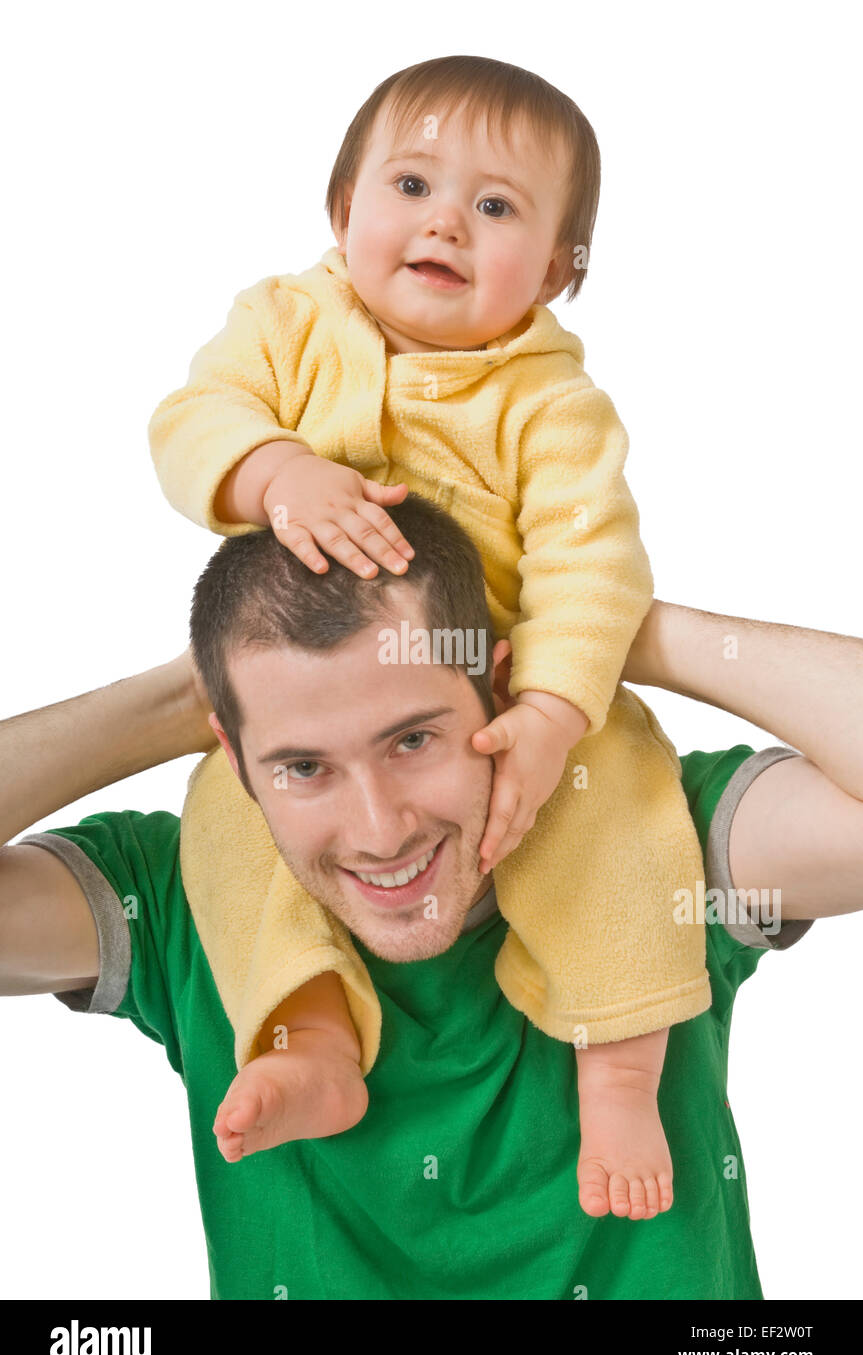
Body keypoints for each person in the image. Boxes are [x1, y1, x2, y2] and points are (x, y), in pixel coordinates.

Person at [2, 494, 862, 1300]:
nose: (379, 831)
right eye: (302, 767)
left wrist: (592, 625)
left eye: (412, 740)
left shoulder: (648, 837)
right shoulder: (180, 892)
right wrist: (176, 700)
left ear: (496, 690)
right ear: (234, 758)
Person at [147, 52, 709, 1218]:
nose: (445, 220)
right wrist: (275, 469)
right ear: (342, 210)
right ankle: (306, 1035)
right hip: (309, 686)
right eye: (409, 186)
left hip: (485, 695)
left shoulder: (551, 403)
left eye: (495, 207)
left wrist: (553, 713)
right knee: (227, 814)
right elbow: (191, 418)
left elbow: (587, 560)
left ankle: (615, 1068)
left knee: (619, 812)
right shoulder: (285, 322)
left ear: (556, 270)